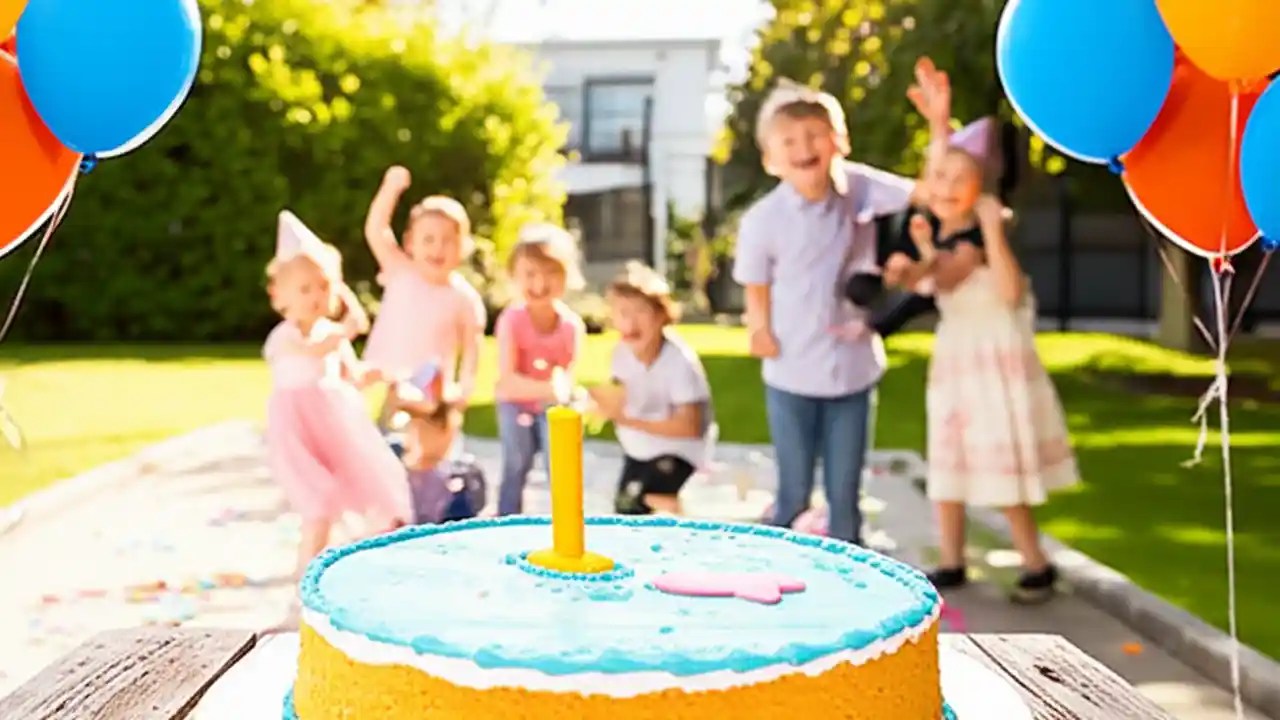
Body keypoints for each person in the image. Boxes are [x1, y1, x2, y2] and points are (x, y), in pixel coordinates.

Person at [731, 58, 953, 545]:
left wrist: (938, 126)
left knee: (845, 498)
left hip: (851, 370)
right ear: (771, 159)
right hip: (790, 371)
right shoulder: (763, 219)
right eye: (789, 141)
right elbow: (755, 281)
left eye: (816, 134)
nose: (804, 148)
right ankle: (767, 569)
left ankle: (854, 592)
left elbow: (932, 191)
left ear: (840, 142)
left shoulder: (860, 188)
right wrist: (759, 327)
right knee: (792, 495)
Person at [880, 145, 1078, 603]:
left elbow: (993, 289)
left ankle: (1035, 562)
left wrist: (990, 230)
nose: (946, 187)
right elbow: (929, 275)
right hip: (956, 368)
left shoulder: (978, 241)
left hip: (994, 373)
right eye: (939, 179)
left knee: (1001, 465)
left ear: (981, 191)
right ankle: (951, 559)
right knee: (948, 459)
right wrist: (912, 264)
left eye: (958, 180)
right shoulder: (940, 239)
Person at [263, 211, 410, 578]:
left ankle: (332, 568)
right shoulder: (287, 336)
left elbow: (350, 374)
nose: (315, 297)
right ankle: (303, 581)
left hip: (333, 424)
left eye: (323, 286)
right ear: (279, 296)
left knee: (361, 491)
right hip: (297, 427)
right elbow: (315, 349)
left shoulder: (331, 333)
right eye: (304, 289)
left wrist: (371, 374)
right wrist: (351, 323)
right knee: (318, 501)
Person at [361, 166, 486, 426]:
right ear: (410, 243)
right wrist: (390, 188)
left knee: (424, 455)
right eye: (428, 239)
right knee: (379, 448)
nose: (438, 248)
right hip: (383, 381)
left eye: (448, 240)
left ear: (463, 246)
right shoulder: (401, 272)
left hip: (429, 394)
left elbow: (472, 348)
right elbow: (376, 230)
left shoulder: (463, 298)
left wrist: (463, 391)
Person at [590, 262, 715, 516]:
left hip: (677, 451)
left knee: (649, 499)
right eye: (621, 312)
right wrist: (601, 405)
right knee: (625, 510)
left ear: (661, 316)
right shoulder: (621, 354)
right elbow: (619, 396)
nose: (629, 321)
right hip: (639, 450)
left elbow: (689, 426)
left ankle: (684, 526)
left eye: (640, 312)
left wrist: (627, 420)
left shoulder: (680, 362)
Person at [493, 223, 586, 515]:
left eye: (551, 273)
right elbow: (507, 382)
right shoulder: (512, 320)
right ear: (514, 276)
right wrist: (551, 388)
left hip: (549, 407)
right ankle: (505, 523)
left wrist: (562, 392)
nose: (539, 284)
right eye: (530, 274)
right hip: (514, 405)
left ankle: (567, 524)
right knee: (515, 464)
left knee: (559, 466)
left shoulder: (571, 326)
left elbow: (565, 378)